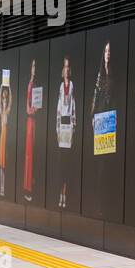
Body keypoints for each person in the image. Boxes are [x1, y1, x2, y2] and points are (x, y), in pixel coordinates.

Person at [54, 56, 75, 208]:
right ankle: (60, 194)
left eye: (68, 66)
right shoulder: (61, 86)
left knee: (68, 165)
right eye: (64, 66)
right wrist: (57, 129)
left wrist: (73, 129)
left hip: (69, 129)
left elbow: (72, 108)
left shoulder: (72, 85)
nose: (66, 69)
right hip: (61, 129)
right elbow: (58, 109)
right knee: (61, 165)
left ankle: (65, 195)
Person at [22, 59, 40, 202]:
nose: (34, 68)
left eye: (36, 66)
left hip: (36, 122)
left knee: (34, 155)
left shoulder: (36, 84)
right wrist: (34, 109)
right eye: (33, 65)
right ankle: (28, 188)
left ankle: (32, 187)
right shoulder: (30, 84)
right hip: (30, 122)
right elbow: (27, 108)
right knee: (29, 155)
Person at [0, 72, 11, 197]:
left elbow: (10, 101)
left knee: (5, 164)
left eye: (5, 96)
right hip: (2, 136)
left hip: (6, 137)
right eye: (3, 96)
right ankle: (1, 188)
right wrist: (1, 86)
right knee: (1, 164)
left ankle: (3, 188)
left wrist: (9, 88)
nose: (4, 98)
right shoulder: (2, 110)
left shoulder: (7, 110)